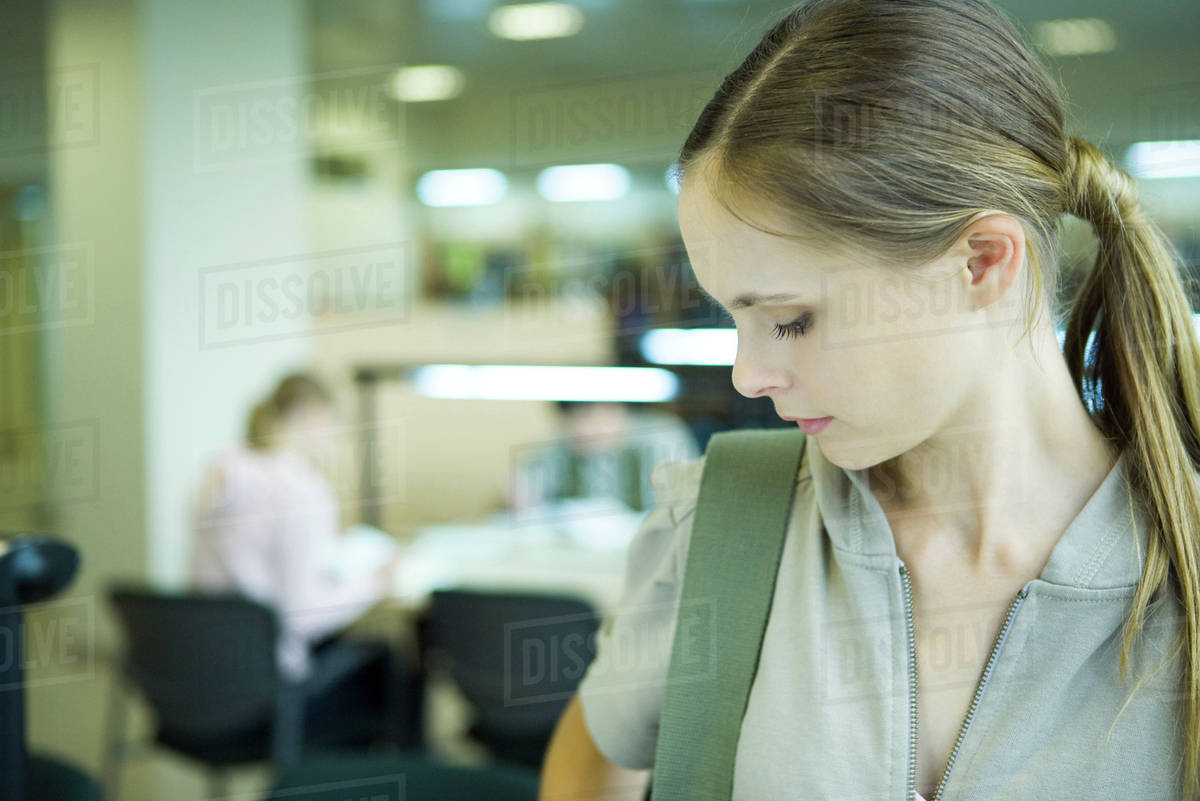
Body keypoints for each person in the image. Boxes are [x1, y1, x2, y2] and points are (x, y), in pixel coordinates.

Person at [540, 1, 1199, 800]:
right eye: (735, 317)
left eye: (791, 319)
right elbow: (589, 760)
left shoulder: (1181, 571)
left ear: (983, 262)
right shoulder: (727, 525)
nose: (749, 375)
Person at [191, 372, 422, 749]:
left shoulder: (222, 469)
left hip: (199, 683)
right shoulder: (301, 490)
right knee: (393, 665)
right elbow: (303, 616)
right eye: (332, 425)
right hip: (267, 700)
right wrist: (377, 582)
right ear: (312, 416)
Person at [511, 401, 700, 514]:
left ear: (616, 410)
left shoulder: (662, 437)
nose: (581, 430)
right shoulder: (566, 444)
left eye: (589, 417)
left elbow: (680, 510)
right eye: (572, 421)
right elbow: (527, 490)